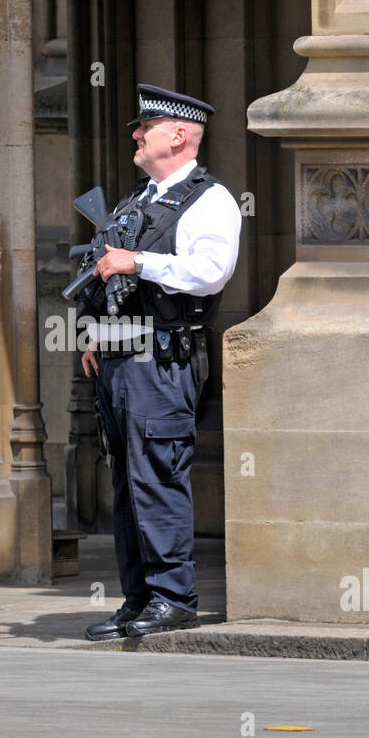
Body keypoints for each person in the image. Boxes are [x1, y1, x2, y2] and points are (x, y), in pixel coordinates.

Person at [80, 84, 241, 640]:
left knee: (158, 477)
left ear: (177, 135)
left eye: (144, 126)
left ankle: (174, 598)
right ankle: (139, 600)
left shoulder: (209, 199)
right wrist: (98, 336)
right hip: (122, 356)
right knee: (127, 480)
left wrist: (138, 261)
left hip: (163, 360)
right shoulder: (140, 199)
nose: (135, 134)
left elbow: (210, 272)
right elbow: (117, 282)